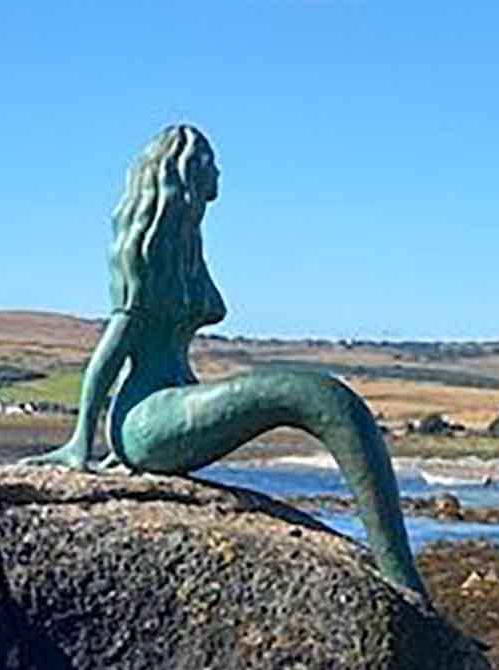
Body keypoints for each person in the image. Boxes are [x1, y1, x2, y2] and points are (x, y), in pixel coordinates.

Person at [22, 125, 428, 598]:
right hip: (148, 423)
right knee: (320, 396)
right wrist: (79, 443)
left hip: (169, 409)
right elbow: (108, 355)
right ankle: (404, 581)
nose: (219, 172)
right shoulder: (144, 261)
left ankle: (403, 579)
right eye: (210, 162)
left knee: (332, 401)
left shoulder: (182, 250)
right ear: (187, 173)